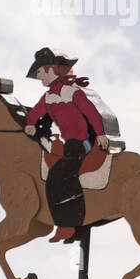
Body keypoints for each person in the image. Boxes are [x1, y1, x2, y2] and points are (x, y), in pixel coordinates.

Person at [22, 48, 110, 242]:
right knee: (57, 172)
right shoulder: (48, 97)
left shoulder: (72, 92)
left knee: (58, 177)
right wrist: (29, 124)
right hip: (68, 145)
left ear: (51, 70)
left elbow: (92, 113)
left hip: (81, 144)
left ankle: (69, 225)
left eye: (40, 73)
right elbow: (35, 113)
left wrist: (101, 134)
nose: (39, 78)